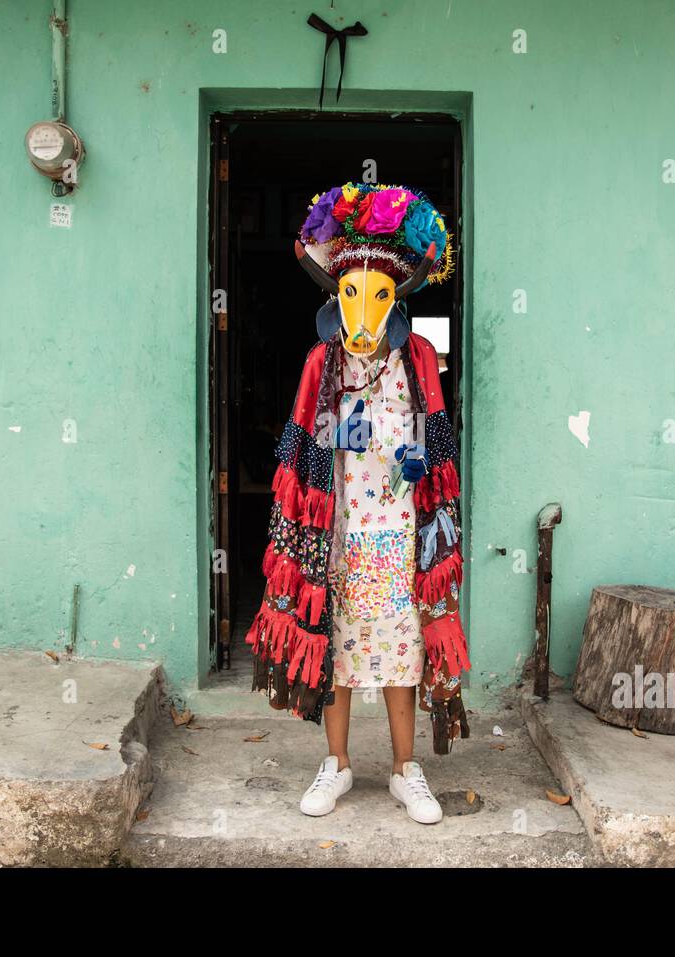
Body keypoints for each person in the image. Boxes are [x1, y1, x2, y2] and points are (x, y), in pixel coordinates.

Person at [242, 183, 470, 824]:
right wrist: (341, 434)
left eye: (377, 297)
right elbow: (303, 441)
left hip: (399, 535)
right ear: (335, 299)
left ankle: (405, 770)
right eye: (350, 295)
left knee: (403, 653)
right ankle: (337, 766)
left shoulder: (418, 358)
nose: (363, 313)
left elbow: (435, 433)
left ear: (395, 300)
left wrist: (420, 455)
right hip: (338, 533)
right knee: (337, 650)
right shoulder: (323, 363)